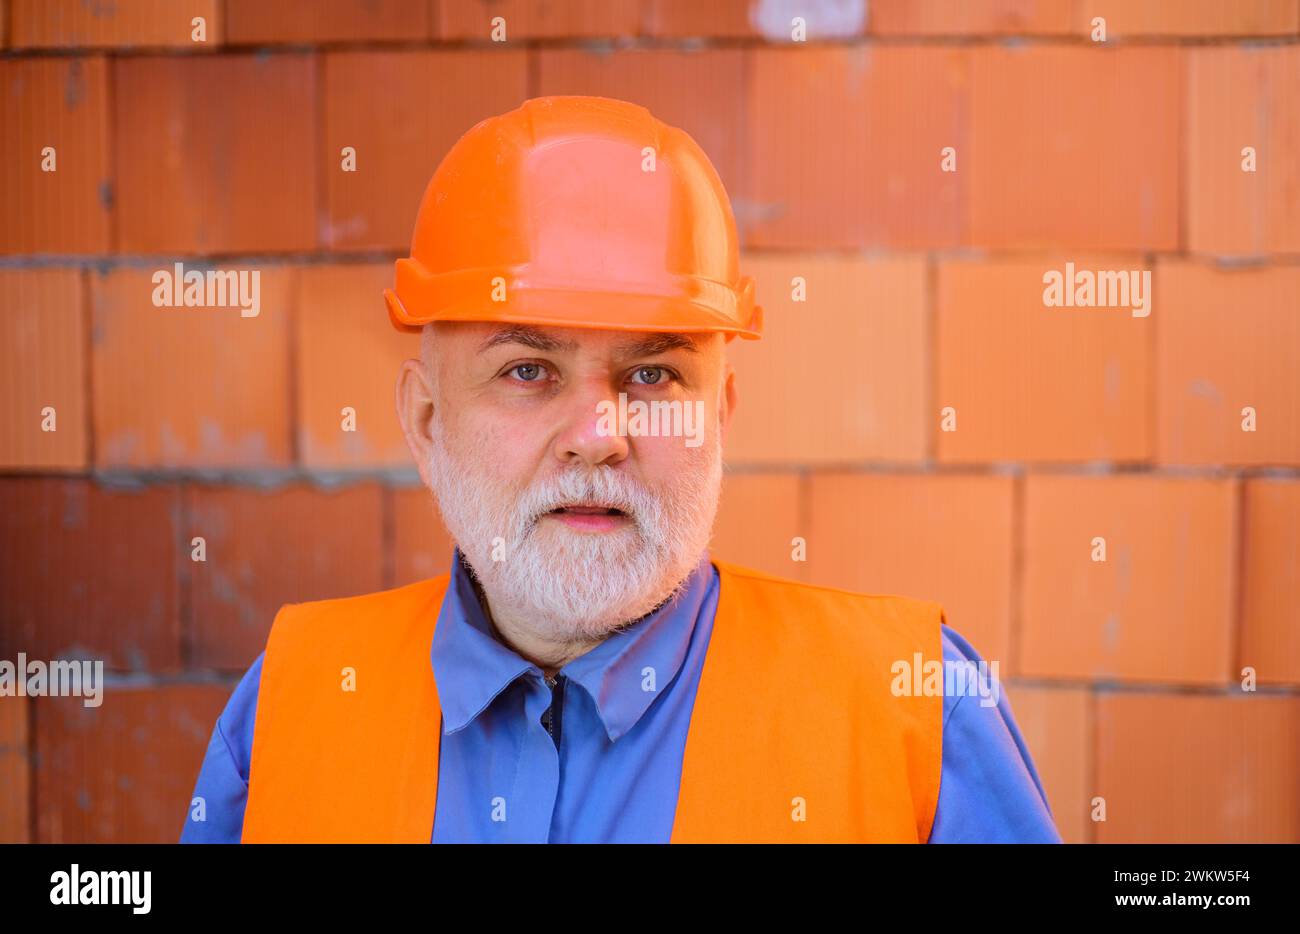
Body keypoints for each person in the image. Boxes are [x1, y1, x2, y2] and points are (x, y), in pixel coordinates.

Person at [181, 96, 1061, 844]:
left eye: (653, 374)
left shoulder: (912, 709)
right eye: (528, 371)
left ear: (716, 417)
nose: (598, 435)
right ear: (425, 421)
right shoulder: (292, 703)